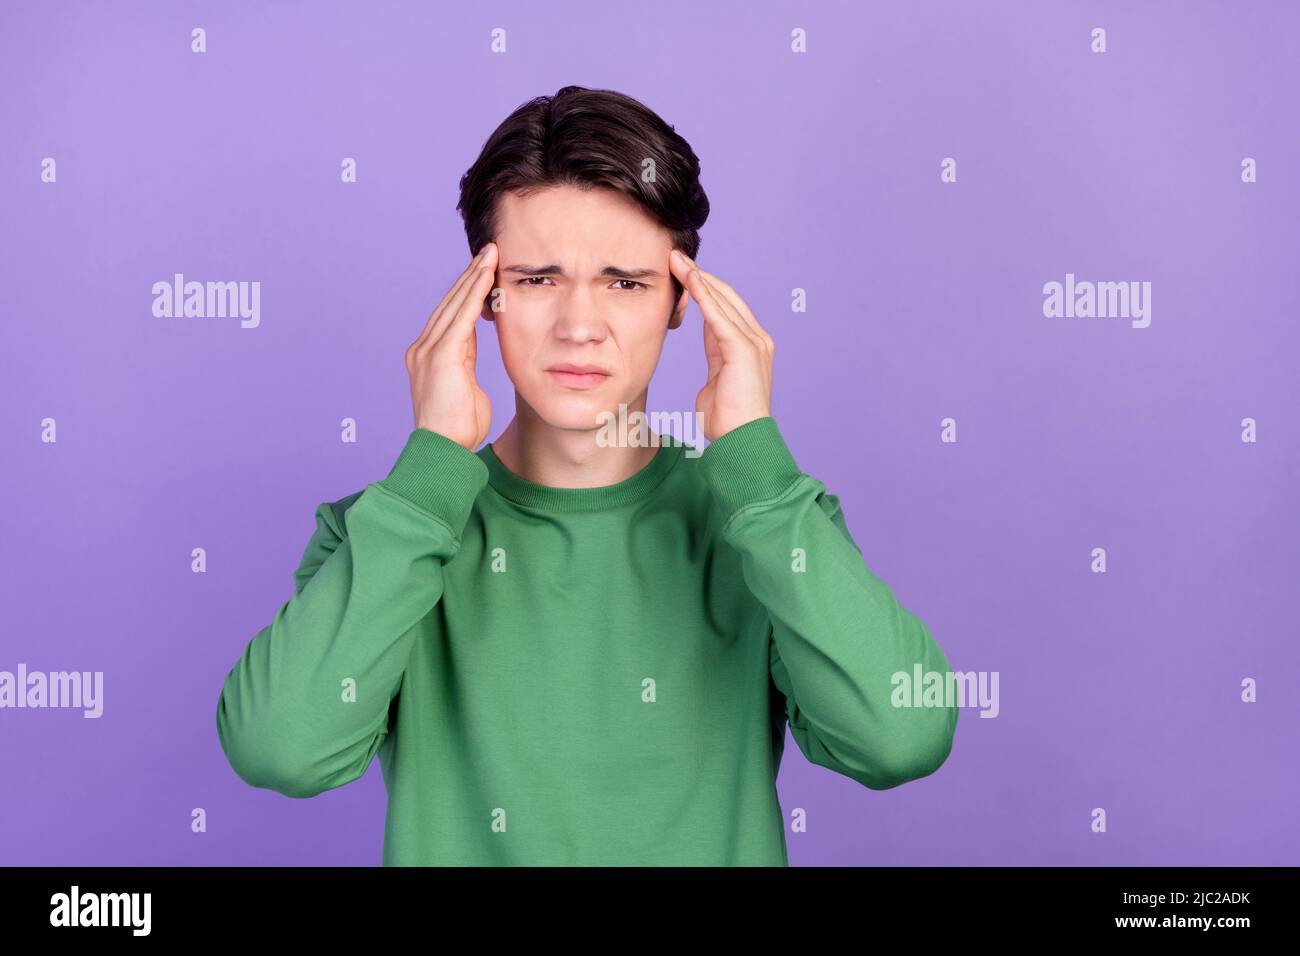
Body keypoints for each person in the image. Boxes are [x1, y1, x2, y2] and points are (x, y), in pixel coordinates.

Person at [216, 85, 957, 866]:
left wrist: (757, 463)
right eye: (538, 278)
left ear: (681, 300)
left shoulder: (764, 522)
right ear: (485, 296)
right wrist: (430, 463)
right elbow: (279, 751)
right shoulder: (392, 527)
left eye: (625, 281)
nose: (578, 326)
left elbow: (900, 739)